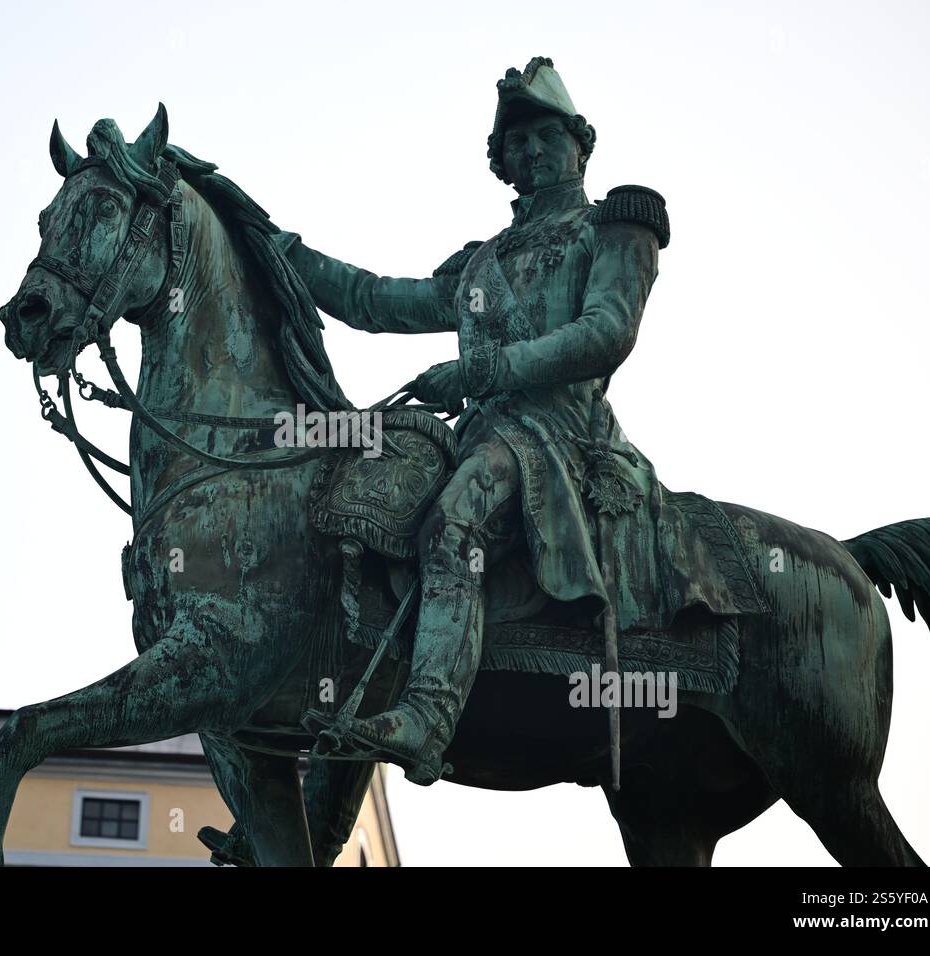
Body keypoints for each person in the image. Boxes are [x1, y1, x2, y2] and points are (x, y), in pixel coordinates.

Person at [281, 56, 669, 785]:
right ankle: (327, 782)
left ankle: (428, 718)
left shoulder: (612, 226)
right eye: (513, 144)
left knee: (453, 518)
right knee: (360, 527)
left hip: (558, 438)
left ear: (579, 142)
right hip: (481, 436)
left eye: (542, 136)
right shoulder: (482, 263)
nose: (527, 153)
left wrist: (483, 371)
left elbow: (606, 331)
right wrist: (285, 253)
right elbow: (374, 301)